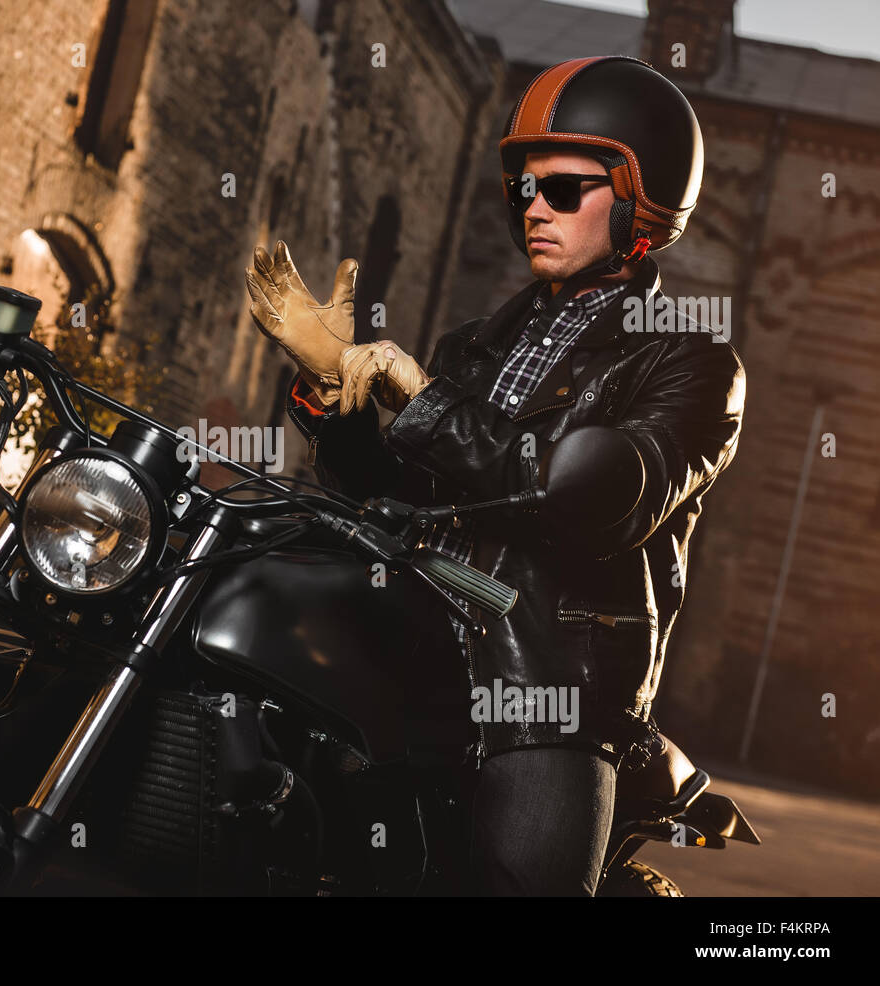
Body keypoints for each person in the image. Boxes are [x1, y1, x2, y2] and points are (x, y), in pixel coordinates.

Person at [245, 55, 745, 895]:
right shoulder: (475, 345)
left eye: (564, 190)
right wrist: (337, 397)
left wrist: (424, 400)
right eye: (524, 188)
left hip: (547, 685)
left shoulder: (690, 363)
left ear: (641, 201)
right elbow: (397, 494)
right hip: (410, 638)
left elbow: (593, 504)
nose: (533, 208)